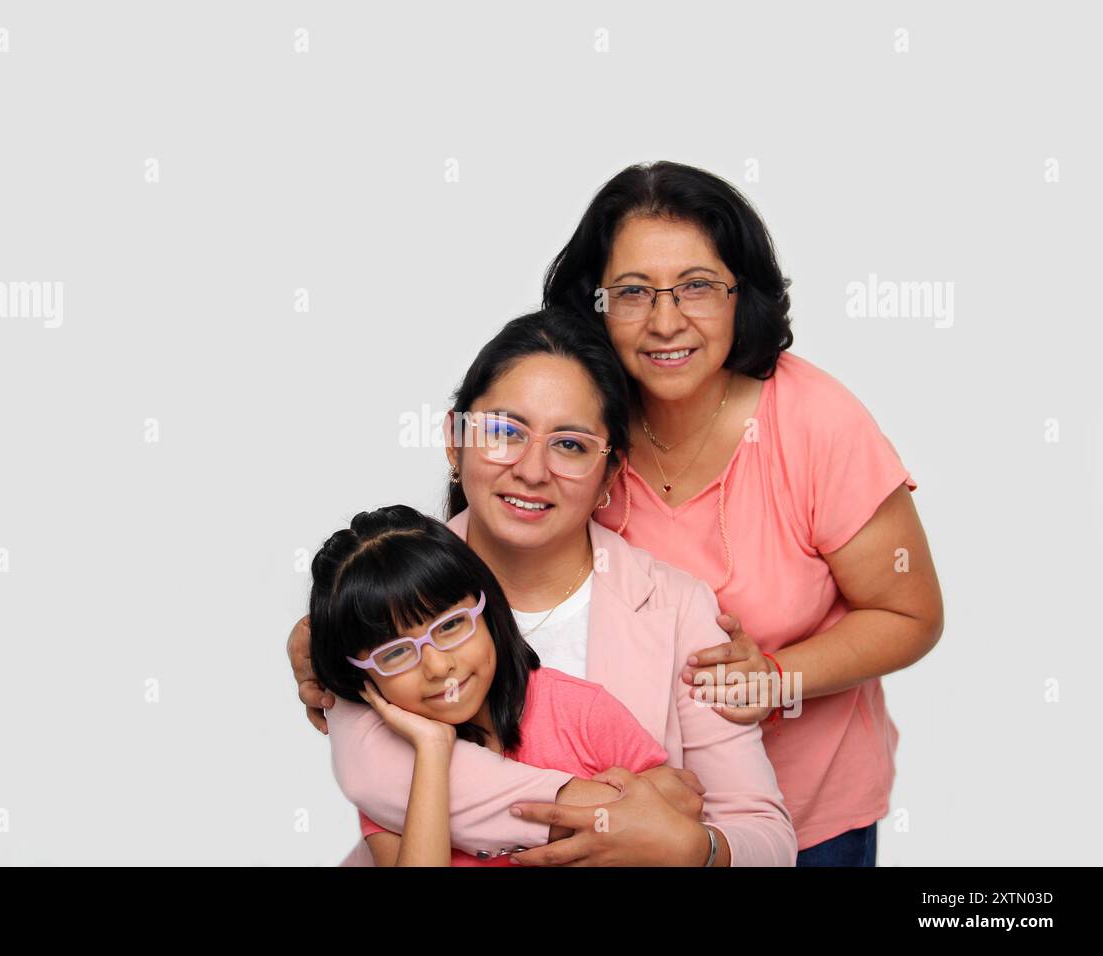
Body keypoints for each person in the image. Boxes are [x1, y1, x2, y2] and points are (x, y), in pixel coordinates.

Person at [540, 160, 945, 864]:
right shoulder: (573, 414)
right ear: (594, 304)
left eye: (697, 287)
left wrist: (775, 678)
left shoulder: (816, 422)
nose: (666, 322)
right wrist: (338, 629)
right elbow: (484, 546)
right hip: (621, 816)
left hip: (808, 816)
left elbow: (910, 614)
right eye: (633, 292)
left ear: (742, 295)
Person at [290, 309, 796, 866]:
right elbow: (373, 772)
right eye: (504, 432)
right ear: (454, 442)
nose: (533, 470)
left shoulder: (676, 607)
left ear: (610, 473)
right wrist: (604, 811)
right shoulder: (375, 592)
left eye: (571, 445)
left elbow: (765, 838)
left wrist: (688, 847)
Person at [308, 504, 676, 866]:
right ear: (363, 678)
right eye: (396, 653)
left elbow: (679, 812)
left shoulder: (579, 711)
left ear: (486, 606)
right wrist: (433, 751)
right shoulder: (392, 774)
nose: (438, 666)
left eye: (451, 626)